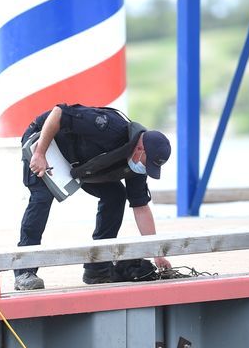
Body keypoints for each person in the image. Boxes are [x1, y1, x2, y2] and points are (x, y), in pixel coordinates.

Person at [14, 104, 173, 291]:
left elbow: (141, 207)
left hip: (80, 163)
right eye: (147, 164)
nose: (145, 169)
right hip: (47, 141)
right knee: (42, 197)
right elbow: (58, 112)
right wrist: (40, 153)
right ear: (140, 149)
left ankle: (97, 268)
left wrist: (157, 252)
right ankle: (24, 272)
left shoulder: (137, 167)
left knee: (116, 195)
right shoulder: (110, 126)